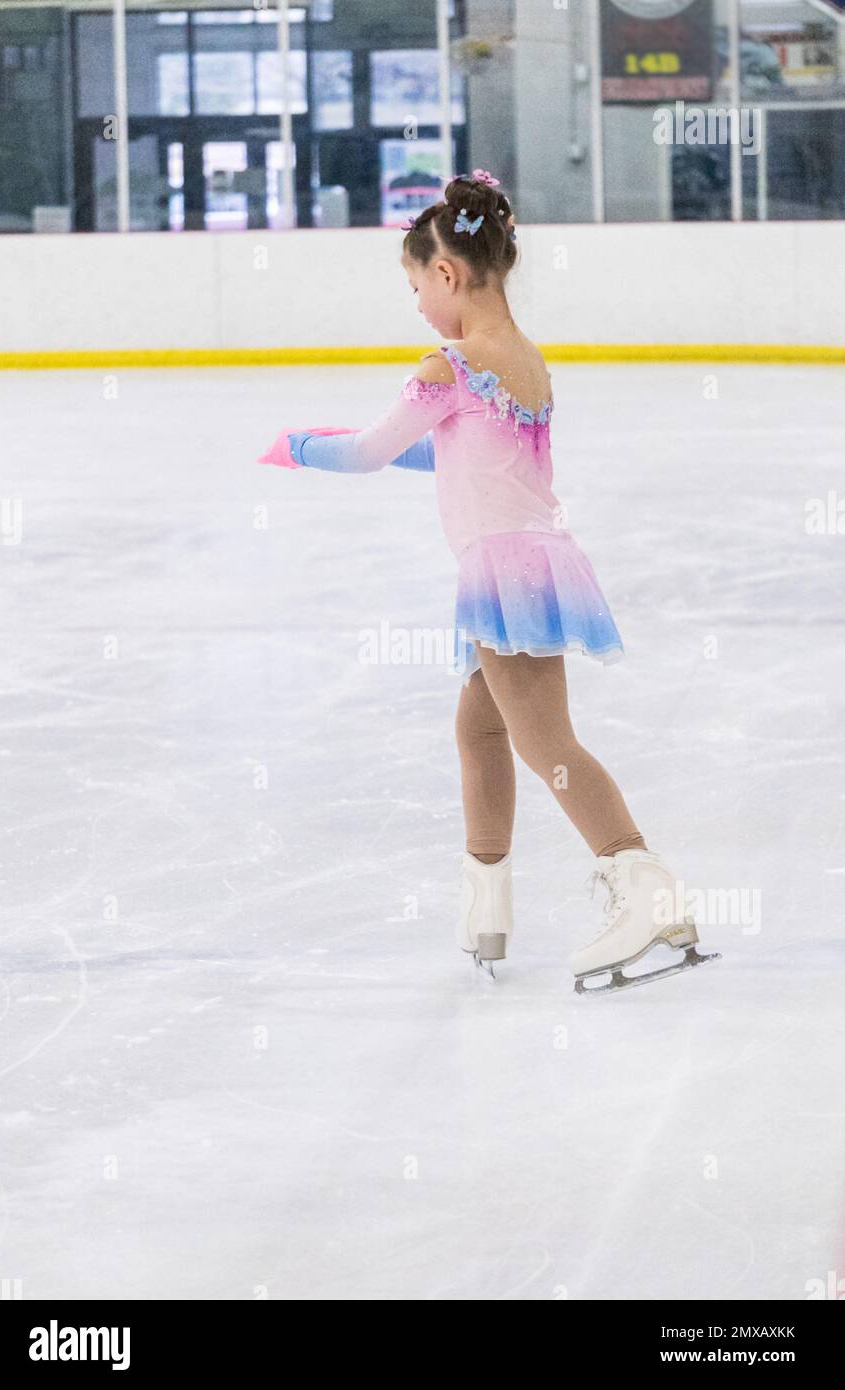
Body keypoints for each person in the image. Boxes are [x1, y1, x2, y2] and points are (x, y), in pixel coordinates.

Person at [259, 170, 718, 994]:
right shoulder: (521, 358)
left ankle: (643, 886)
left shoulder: (450, 363)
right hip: (528, 564)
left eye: (414, 286)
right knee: (480, 731)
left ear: (447, 274)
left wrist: (297, 445)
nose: (418, 307)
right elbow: (456, 454)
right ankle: (487, 906)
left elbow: (366, 451)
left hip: (509, 574)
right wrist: (371, 442)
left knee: (549, 745)